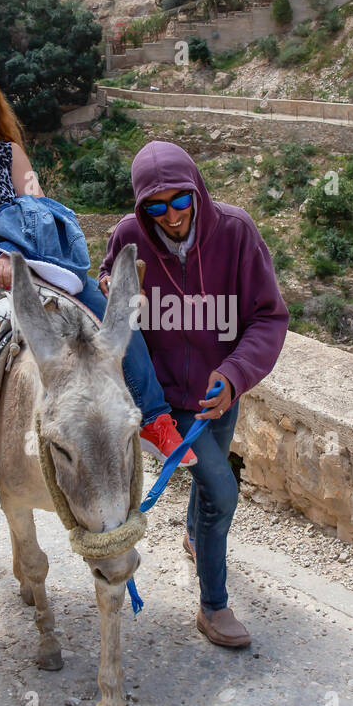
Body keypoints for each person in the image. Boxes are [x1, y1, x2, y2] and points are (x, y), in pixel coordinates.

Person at [0, 54, 195, 579]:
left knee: (108, 314)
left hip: (18, 270)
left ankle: (155, 417)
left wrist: (15, 255)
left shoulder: (9, 154)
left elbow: (38, 214)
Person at [98, 140, 288, 648]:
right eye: (155, 206)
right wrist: (118, 294)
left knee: (208, 484)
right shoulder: (129, 235)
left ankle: (193, 538)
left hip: (218, 392)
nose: (171, 215)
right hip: (161, 401)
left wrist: (235, 374)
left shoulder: (236, 231)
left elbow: (267, 316)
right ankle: (214, 607)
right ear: (141, 207)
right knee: (222, 492)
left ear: (197, 191)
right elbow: (107, 287)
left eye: (180, 200)